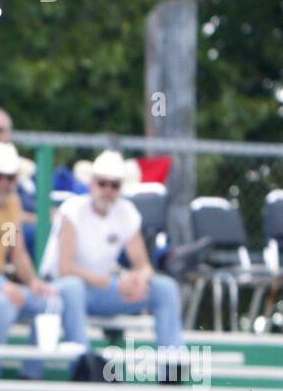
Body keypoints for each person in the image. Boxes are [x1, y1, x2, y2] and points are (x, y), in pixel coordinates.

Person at [41, 150, 185, 364]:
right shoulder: (72, 210)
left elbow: (143, 264)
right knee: (73, 287)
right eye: (102, 183)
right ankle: (83, 367)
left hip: (102, 289)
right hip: (60, 291)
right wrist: (115, 284)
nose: (108, 190)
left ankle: (172, 366)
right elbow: (65, 269)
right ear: (91, 183)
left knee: (165, 288)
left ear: (121, 188)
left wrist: (139, 281)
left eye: (114, 185)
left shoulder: (127, 211)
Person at [0, 142, 88, 379]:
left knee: (51, 302)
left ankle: (31, 375)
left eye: (11, 178)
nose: (6, 183)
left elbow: (16, 252)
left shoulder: (12, 203)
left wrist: (34, 282)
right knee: (4, 303)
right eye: (0, 177)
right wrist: (3, 285)